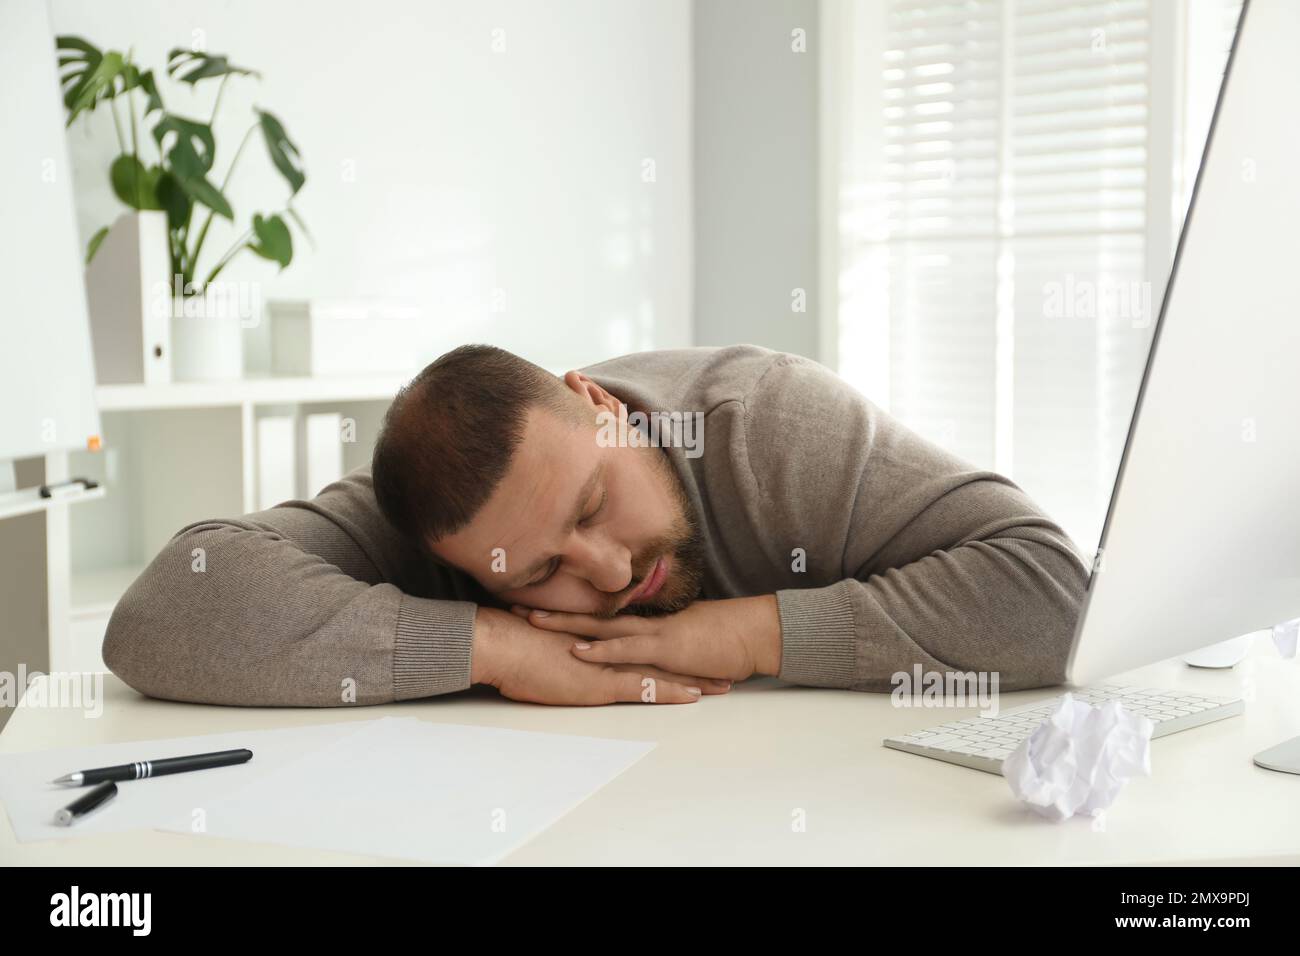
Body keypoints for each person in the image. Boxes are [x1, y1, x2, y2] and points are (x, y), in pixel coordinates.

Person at [103, 344, 1088, 707]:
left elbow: (1052, 594)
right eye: (538, 573)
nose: (610, 571)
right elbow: (161, 615)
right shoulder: (444, 521)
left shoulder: (773, 425)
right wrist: (492, 646)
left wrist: (745, 633)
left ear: (598, 405)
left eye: (591, 506)